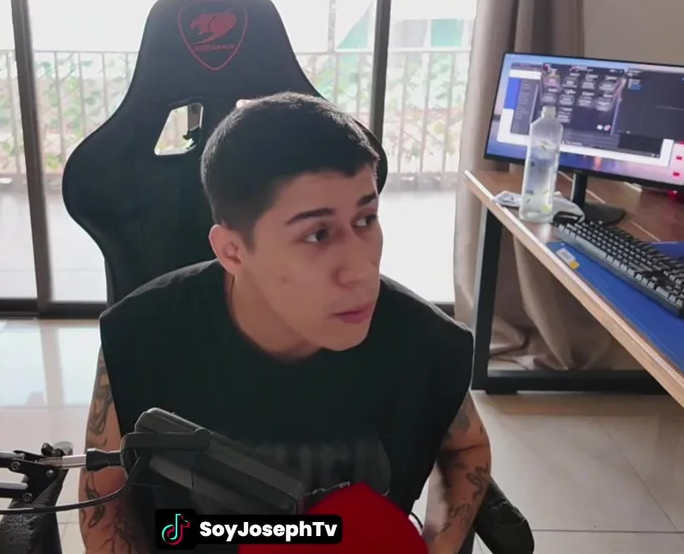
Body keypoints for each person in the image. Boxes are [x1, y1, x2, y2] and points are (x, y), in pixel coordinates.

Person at [79, 93, 491, 553]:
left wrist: (438, 545)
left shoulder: (423, 342)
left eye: (365, 219)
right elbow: (104, 495)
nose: (360, 270)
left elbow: (466, 448)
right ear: (233, 251)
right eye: (317, 234)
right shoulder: (143, 336)